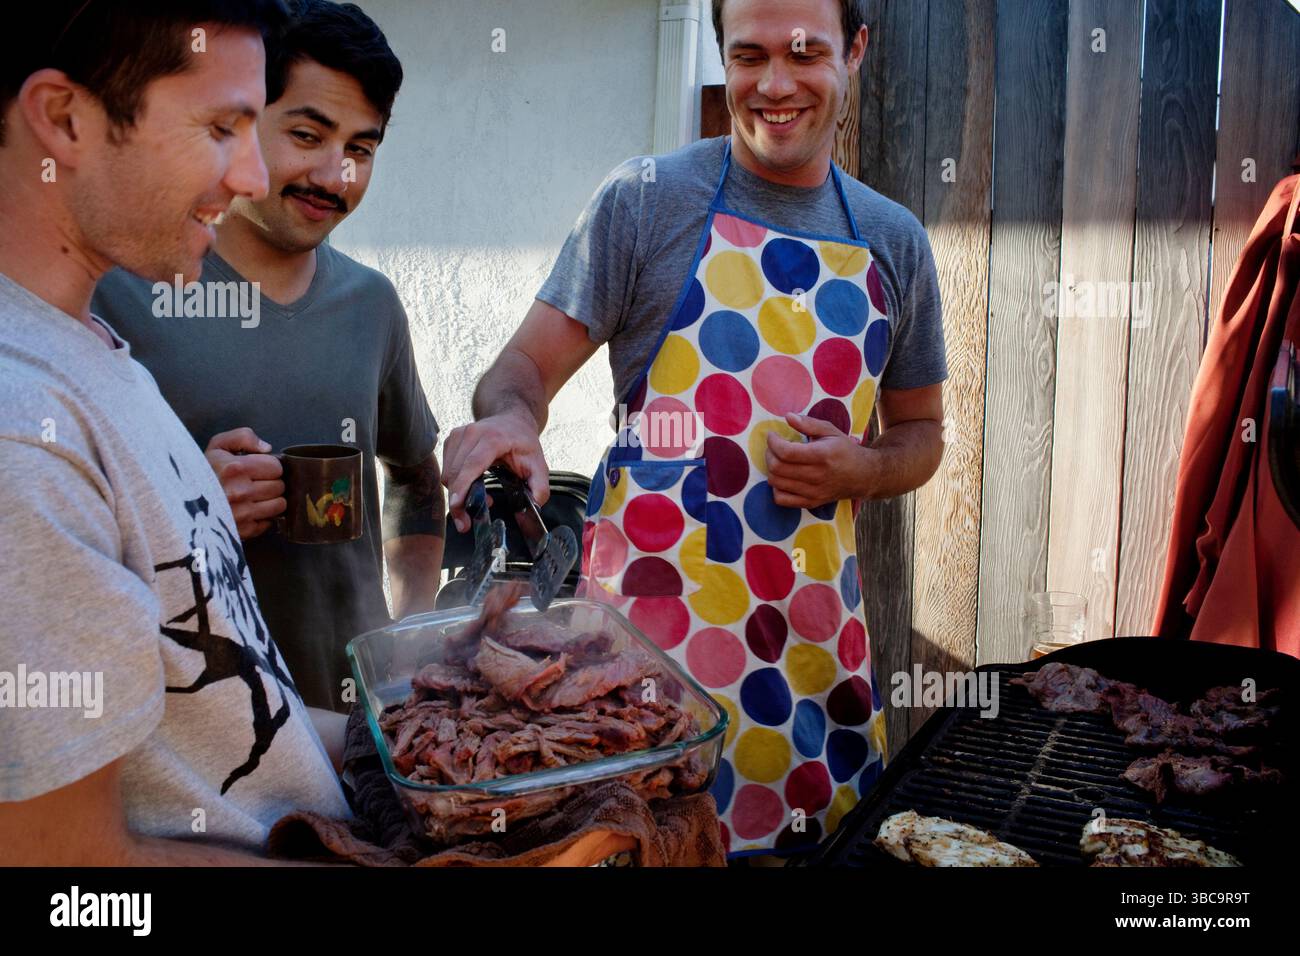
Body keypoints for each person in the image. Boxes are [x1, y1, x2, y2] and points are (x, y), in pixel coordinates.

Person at [441, 0, 947, 856]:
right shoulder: (645, 202)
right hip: (634, 666)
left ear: (855, 50)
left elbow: (923, 434)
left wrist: (857, 471)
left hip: (807, 657)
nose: (774, 85)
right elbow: (517, 373)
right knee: (644, 845)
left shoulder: (894, 242)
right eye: (748, 55)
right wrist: (512, 424)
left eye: (804, 54)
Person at [0, 1, 352, 865]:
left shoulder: (93, 348)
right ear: (65, 118)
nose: (253, 177)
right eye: (224, 127)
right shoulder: (23, 438)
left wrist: (434, 723)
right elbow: (70, 885)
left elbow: (222, 733)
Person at [93, 0, 444, 712]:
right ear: (246, 124)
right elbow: (61, 529)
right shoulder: (121, 296)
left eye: (361, 149)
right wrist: (190, 504)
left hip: (359, 731)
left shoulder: (372, 305)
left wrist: (408, 637)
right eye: (308, 135)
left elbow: (413, 476)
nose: (334, 175)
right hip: (197, 735)